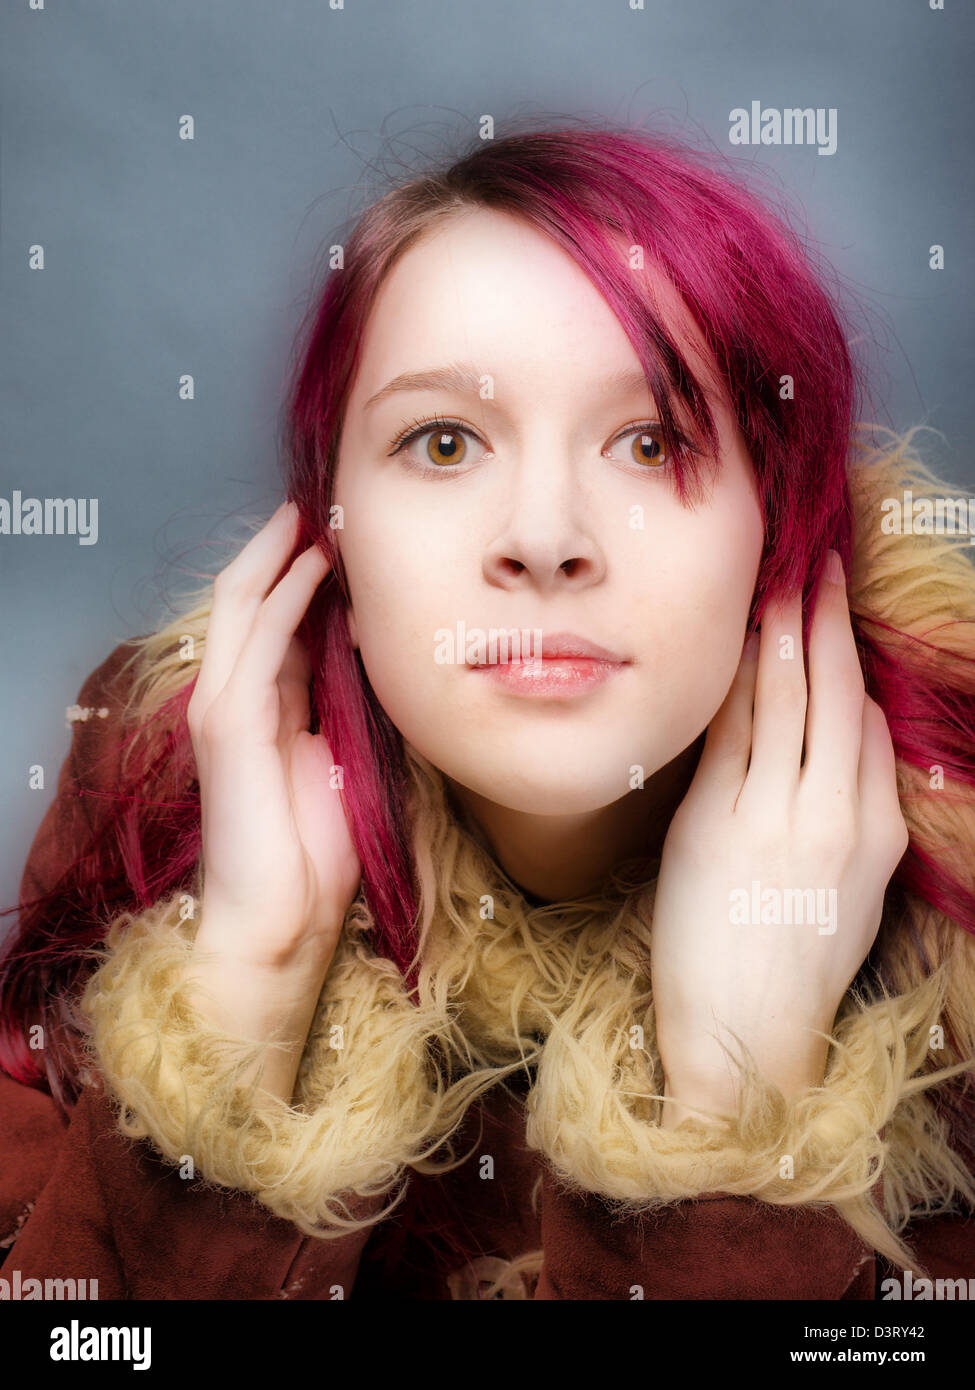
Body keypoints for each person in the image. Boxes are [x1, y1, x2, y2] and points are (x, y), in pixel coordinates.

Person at [2, 124, 975, 1302]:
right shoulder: (157, 798)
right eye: (445, 441)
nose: (545, 538)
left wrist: (736, 1116)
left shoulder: (950, 941)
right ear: (333, 542)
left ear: (781, 530)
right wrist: (236, 1013)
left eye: (651, 439)